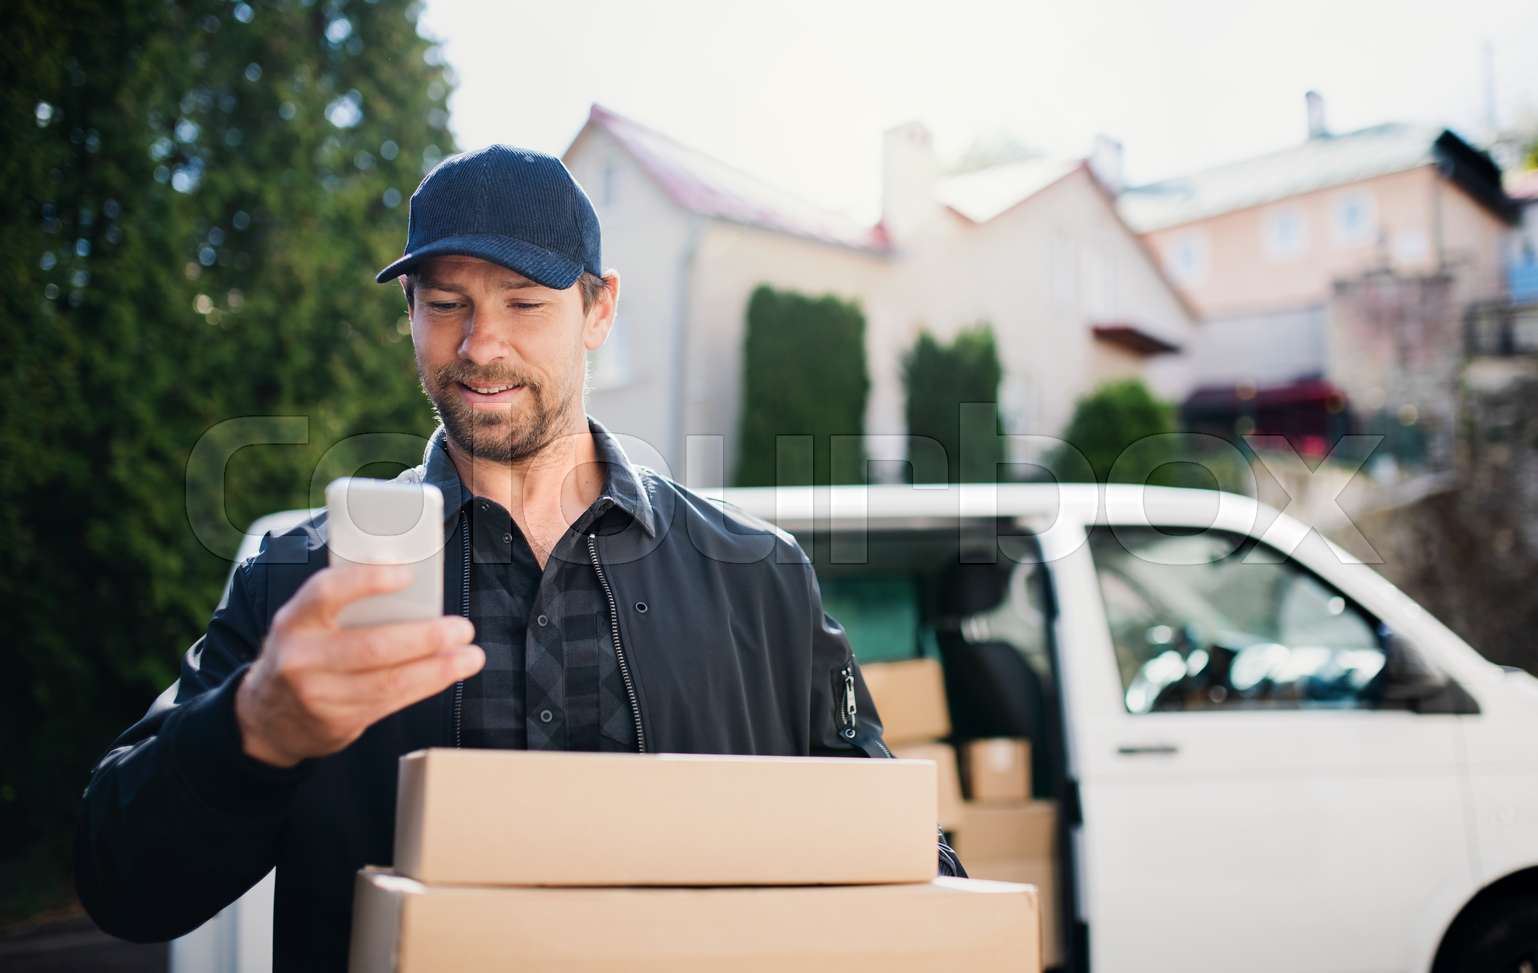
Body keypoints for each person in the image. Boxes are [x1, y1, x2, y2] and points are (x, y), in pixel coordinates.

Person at [74, 144, 965, 970]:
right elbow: (123, 883)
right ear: (410, 315)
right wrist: (255, 729)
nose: (480, 345)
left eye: (524, 302)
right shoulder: (301, 582)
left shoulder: (758, 577)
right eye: (447, 303)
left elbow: (894, 847)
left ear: (598, 308)